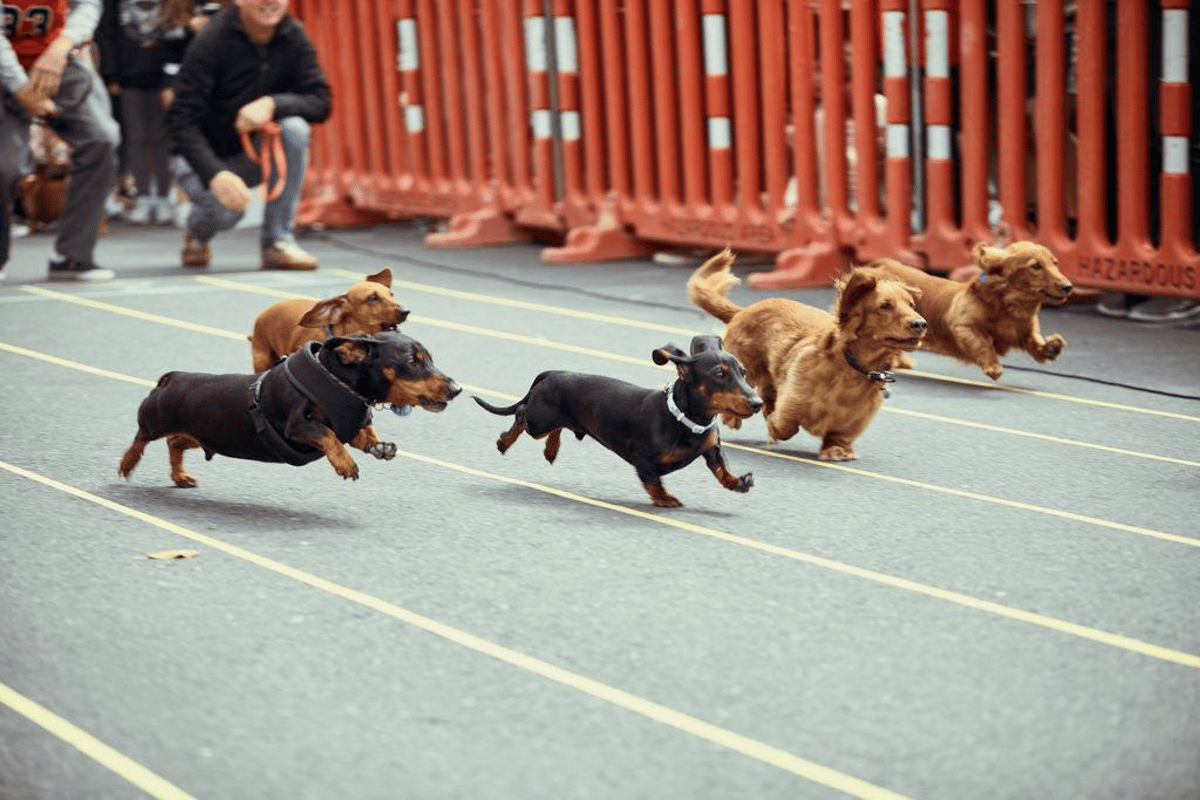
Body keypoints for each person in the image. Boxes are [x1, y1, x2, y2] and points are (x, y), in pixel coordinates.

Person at [165, 0, 330, 270]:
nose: (270, 2)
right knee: (227, 212)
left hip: (253, 153)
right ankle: (196, 231)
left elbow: (321, 101)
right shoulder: (212, 39)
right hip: (200, 158)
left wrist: (272, 104)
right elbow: (180, 120)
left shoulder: (293, 35)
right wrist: (215, 175)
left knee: (295, 128)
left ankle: (278, 241)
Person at [0, 0, 121, 282]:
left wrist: (62, 45)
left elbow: (89, 4)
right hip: (5, 65)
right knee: (3, 167)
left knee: (102, 139)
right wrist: (20, 86)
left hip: (56, 60)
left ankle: (72, 255)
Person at [96, 0, 182, 226]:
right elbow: (106, 33)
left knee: (162, 138)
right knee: (135, 137)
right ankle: (143, 195)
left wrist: (172, 80)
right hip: (128, 78)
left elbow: (178, 37)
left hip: (163, 79)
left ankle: (163, 197)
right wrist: (111, 74)